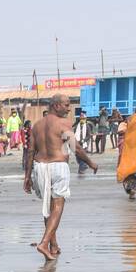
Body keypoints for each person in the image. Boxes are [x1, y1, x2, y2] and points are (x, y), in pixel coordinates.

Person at [25, 93, 98, 262]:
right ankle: (44, 243)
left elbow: (30, 152)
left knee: (47, 207)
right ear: (56, 105)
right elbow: (75, 147)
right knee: (57, 206)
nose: (69, 108)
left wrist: (27, 177)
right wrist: (90, 162)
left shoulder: (36, 126)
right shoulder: (63, 123)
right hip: (58, 166)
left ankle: (54, 245)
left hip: (40, 167)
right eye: (66, 105)